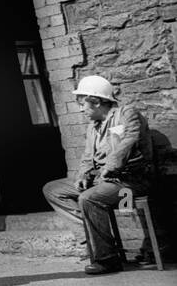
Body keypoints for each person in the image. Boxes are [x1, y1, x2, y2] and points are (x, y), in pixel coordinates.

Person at [42, 75, 153, 275]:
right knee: (53, 189)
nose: (81, 109)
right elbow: (87, 157)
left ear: (97, 101)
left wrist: (110, 165)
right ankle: (91, 239)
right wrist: (83, 176)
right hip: (102, 180)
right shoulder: (93, 127)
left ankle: (107, 259)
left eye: (82, 104)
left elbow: (130, 140)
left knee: (89, 198)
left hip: (129, 180)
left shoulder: (127, 113)